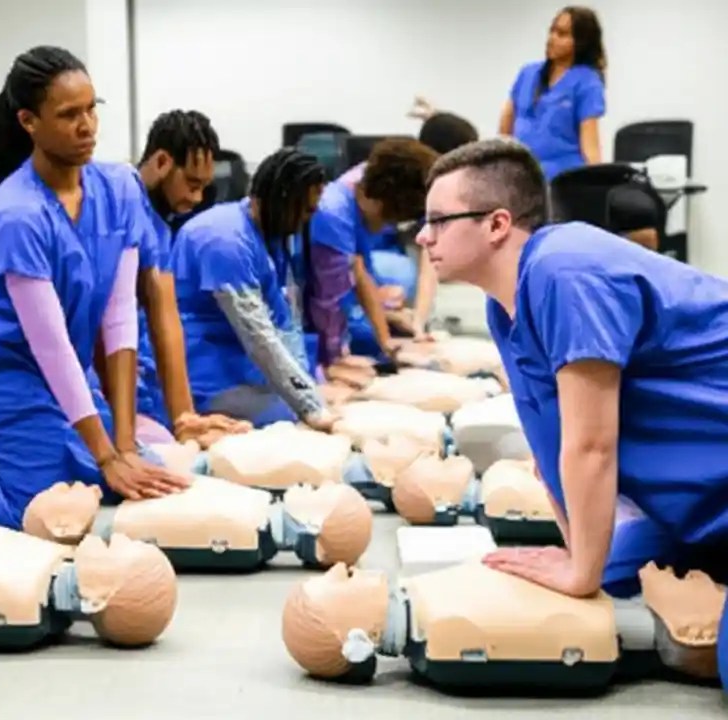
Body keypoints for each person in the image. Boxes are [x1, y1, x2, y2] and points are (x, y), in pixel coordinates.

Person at [417, 137, 728, 693]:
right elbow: (552, 447)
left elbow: (592, 447)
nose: (423, 237)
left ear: (496, 224)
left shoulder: (566, 271)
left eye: (439, 221)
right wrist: (578, 566)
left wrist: (580, 572)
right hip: (703, 501)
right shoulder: (504, 304)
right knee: (596, 570)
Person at [0, 46, 189, 531]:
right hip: (4, 367)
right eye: (69, 114)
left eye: (93, 109)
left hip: (66, 369)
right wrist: (106, 454)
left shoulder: (119, 187)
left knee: (143, 473)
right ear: (29, 122)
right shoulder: (16, 213)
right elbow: (49, 342)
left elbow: (119, 320)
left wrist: (121, 444)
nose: (88, 126)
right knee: (44, 510)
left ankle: (21, 451)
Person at [170, 147, 334, 429]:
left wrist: (309, 387)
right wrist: (309, 405)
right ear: (283, 201)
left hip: (236, 363)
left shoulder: (271, 235)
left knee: (318, 399)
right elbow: (259, 337)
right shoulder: (226, 242)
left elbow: (285, 321)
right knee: (292, 420)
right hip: (203, 374)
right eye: (306, 210)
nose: (308, 220)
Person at [124, 109, 245, 446]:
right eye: (192, 184)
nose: (195, 199)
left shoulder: (159, 225)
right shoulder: (120, 206)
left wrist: (184, 417)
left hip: (138, 370)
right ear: (162, 161)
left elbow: (165, 317)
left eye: (204, 188)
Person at [307, 138, 438, 366]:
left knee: (389, 332)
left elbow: (359, 270)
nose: (388, 227)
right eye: (391, 220)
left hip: (335, 297)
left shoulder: (364, 179)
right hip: (312, 314)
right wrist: (337, 360)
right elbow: (327, 305)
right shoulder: (333, 216)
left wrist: (386, 336)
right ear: (380, 205)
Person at [499, 6, 606, 181]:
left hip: (562, 178)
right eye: (552, 31)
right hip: (522, 174)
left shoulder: (587, 82)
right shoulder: (528, 73)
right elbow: (506, 126)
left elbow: (590, 146)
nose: (552, 39)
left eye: (562, 34)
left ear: (580, 42)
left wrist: (598, 184)